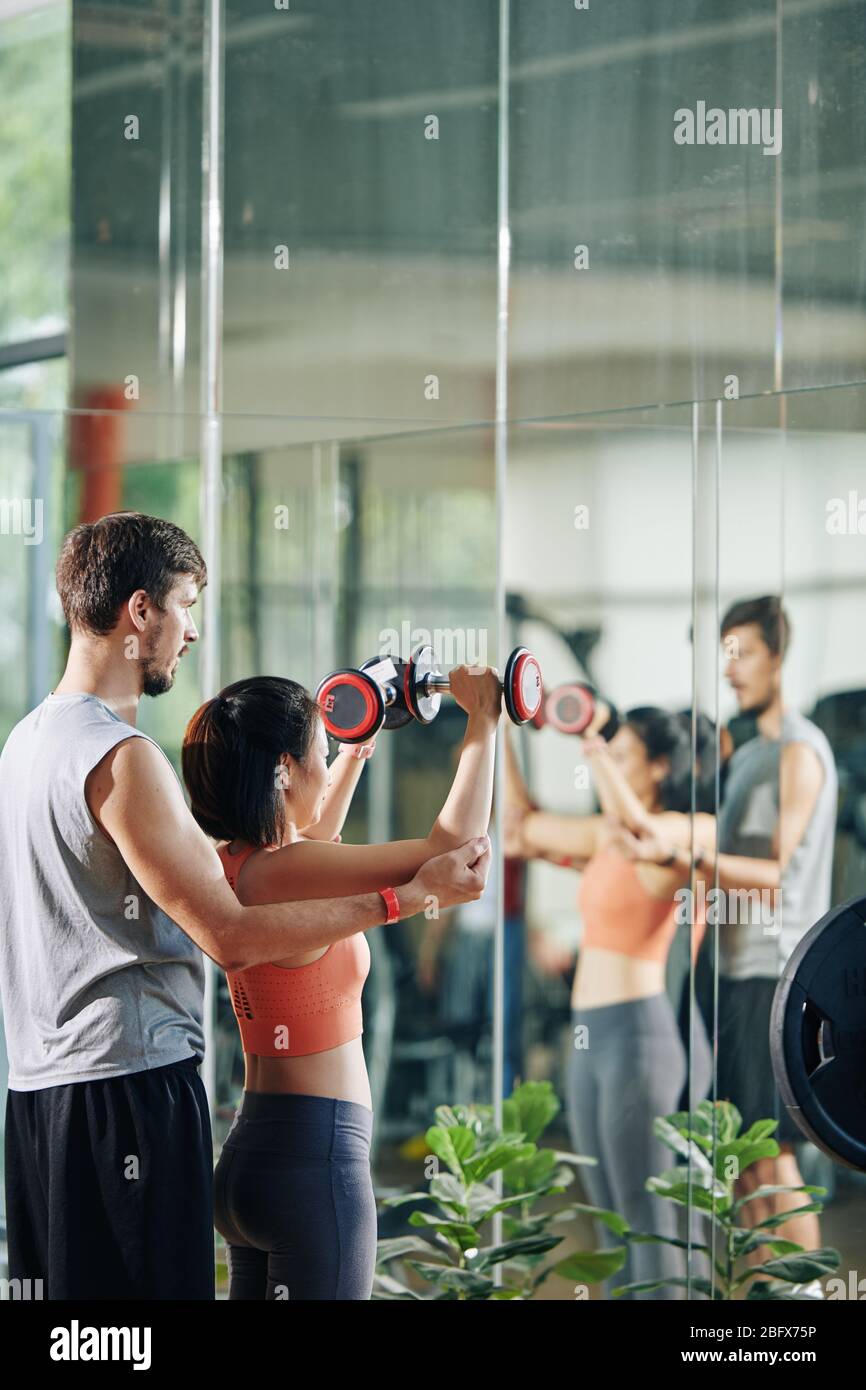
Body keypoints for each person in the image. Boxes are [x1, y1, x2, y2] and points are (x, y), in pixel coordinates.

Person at [0, 511, 490, 1300]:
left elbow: (276, 867)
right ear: (140, 612)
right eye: (186, 604)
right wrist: (406, 896)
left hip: (41, 1094)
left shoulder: (27, 744)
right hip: (129, 1092)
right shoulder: (123, 758)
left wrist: (352, 748)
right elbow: (231, 932)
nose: (189, 631)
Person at [181, 664, 502, 1300]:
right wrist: (484, 722)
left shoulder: (237, 867)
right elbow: (454, 845)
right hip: (316, 1162)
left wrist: (356, 747)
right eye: (319, 755)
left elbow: (313, 839)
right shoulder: (288, 871)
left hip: (252, 1163)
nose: (324, 769)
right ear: (283, 770)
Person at [615, 597, 837, 1264]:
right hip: (730, 970)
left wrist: (693, 858)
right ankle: (771, 1294)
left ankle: (801, 1301)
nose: (732, 668)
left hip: (771, 973)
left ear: (777, 657)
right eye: (726, 653)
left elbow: (774, 872)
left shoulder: (798, 751)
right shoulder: (746, 755)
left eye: (744, 652)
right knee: (739, 1158)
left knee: (771, 1159)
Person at [505, 707, 716, 1300]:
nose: (605, 765)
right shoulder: (607, 835)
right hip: (588, 1036)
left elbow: (646, 832)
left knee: (648, 1224)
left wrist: (590, 746)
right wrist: (495, 728)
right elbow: (519, 828)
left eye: (621, 756)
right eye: (608, 754)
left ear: (661, 767)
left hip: (638, 1037)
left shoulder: (692, 829)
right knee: (610, 1227)